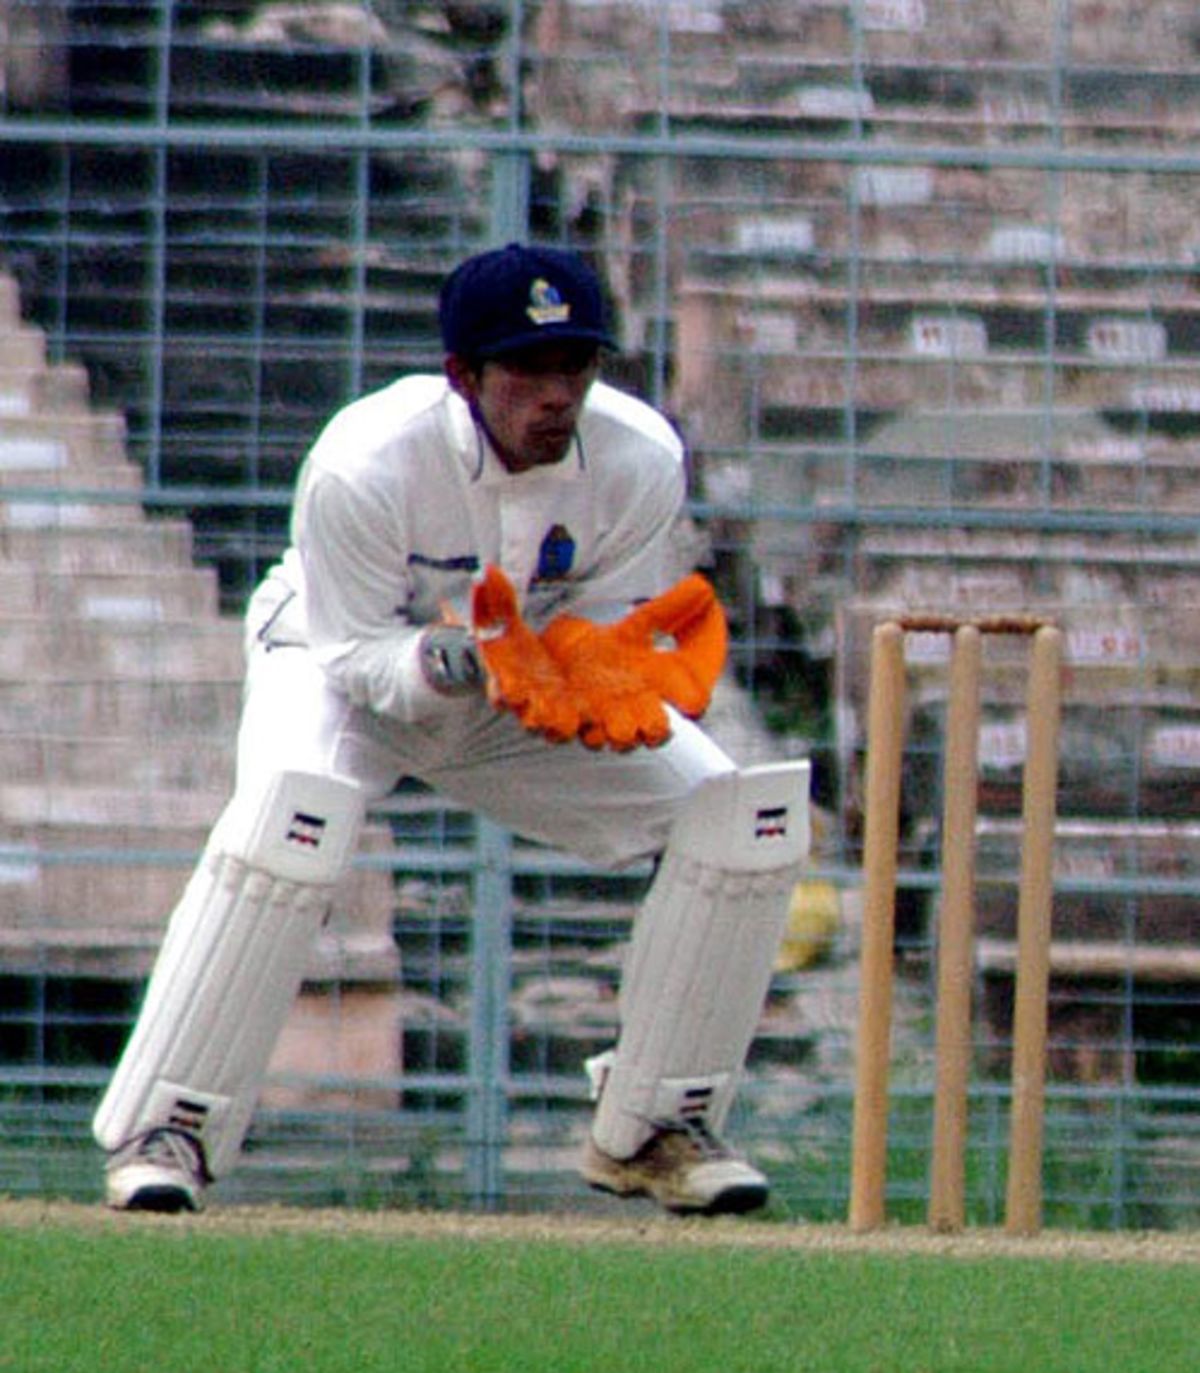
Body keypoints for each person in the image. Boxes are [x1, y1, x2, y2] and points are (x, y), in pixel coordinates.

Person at [93, 242, 810, 1217]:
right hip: (339, 668)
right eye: (527, 370)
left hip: (509, 699)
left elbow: (600, 630)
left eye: (575, 368)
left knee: (738, 814)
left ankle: (653, 1125)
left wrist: (593, 675)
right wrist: (455, 658)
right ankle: (163, 1130)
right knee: (289, 825)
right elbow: (349, 650)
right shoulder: (365, 462)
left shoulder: (640, 459)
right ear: (463, 377)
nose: (556, 395)